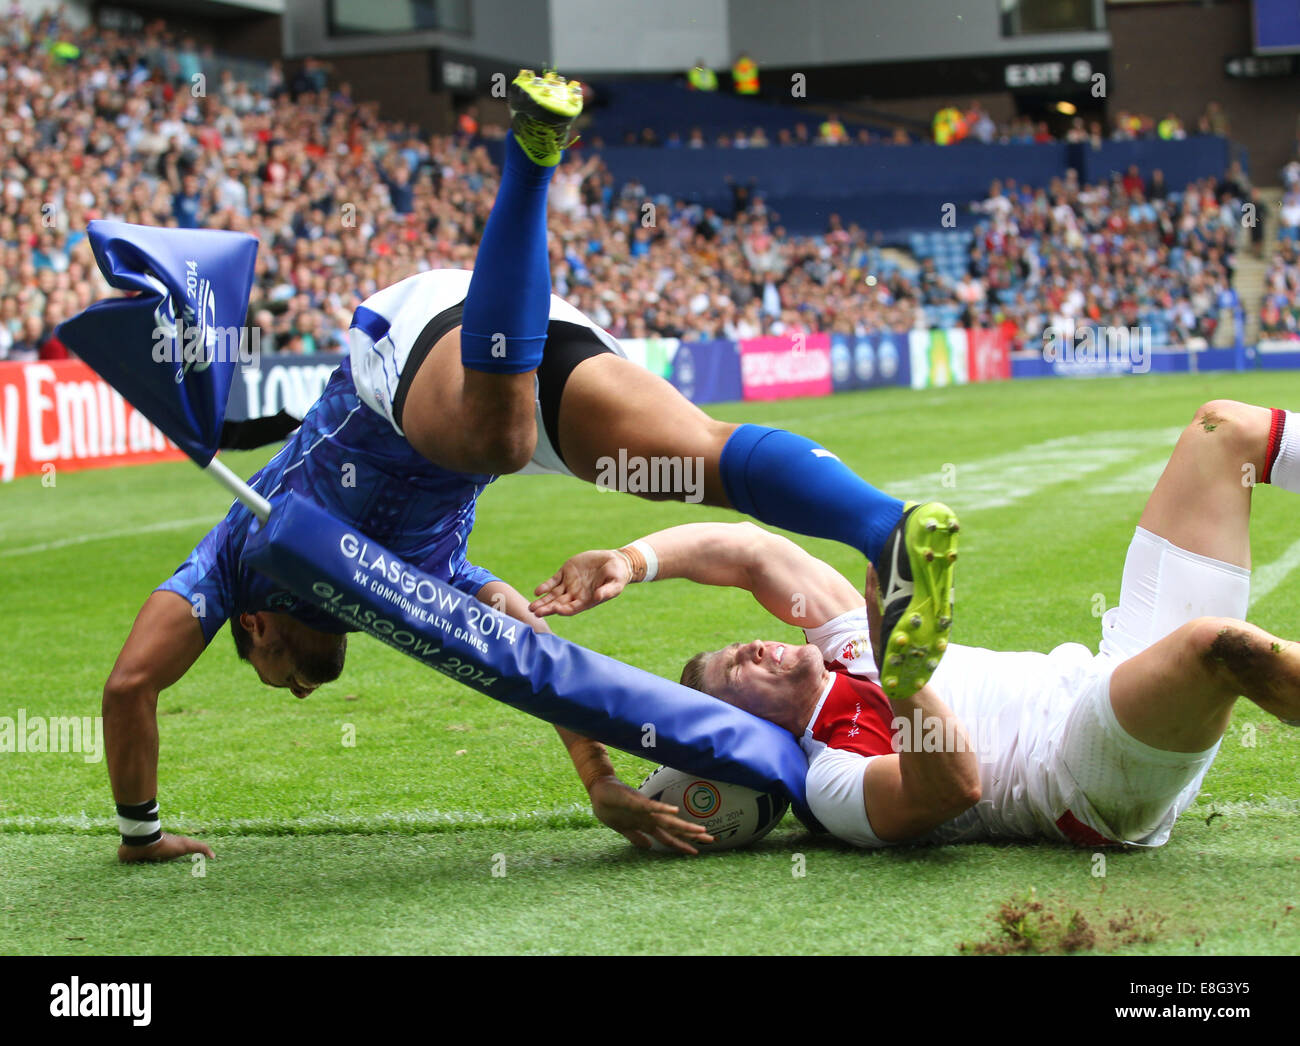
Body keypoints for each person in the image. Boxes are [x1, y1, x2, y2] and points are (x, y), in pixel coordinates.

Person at [103, 70, 955, 863]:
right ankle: (886, 528)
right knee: (697, 459)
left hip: (408, 354)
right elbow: (531, 653)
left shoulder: (230, 559)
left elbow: (130, 685)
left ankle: (531, 155)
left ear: (255, 628)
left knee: (493, 443)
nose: (296, 692)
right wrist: (597, 777)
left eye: (275, 678)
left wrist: (140, 833)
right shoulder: (407, 584)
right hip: (516, 348)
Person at [531, 399, 1300, 850]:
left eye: (743, 642)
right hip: (1089, 778)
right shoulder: (831, 780)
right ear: (747, 727)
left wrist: (631, 560)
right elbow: (952, 788)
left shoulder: (839, 647)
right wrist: (904, 678)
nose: (758, 644)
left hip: (1111, 674)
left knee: (1224, 432)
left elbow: (747, 550)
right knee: (1215, 648)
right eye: (740, 668)